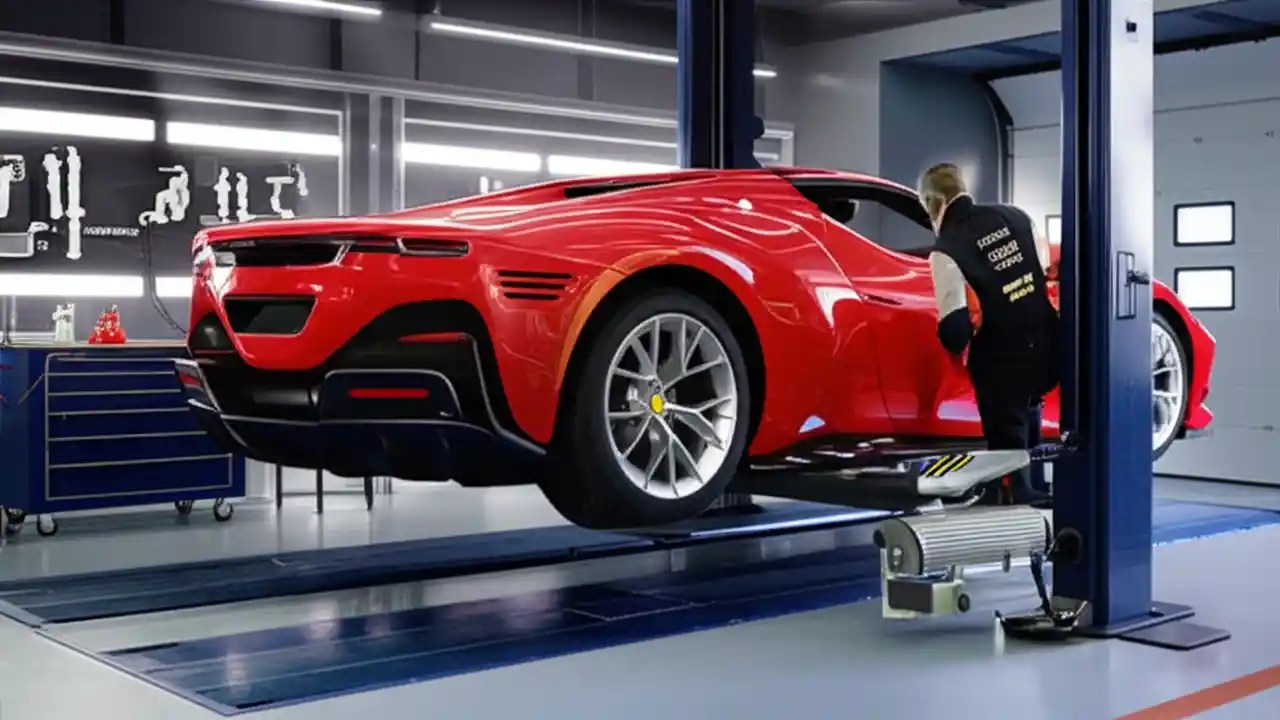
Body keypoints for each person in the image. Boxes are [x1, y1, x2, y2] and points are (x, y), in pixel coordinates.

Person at [919, 163, 1059, 505]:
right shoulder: (1015, 215)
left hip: (1004, 358)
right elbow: (1040, 267)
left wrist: (959, 330)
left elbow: (955, 330)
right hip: (1048, 341)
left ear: (935, 203)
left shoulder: (947, 249)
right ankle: (1029, 479)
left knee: (996, 382)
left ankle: (1011, 485)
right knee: (1028, 398)